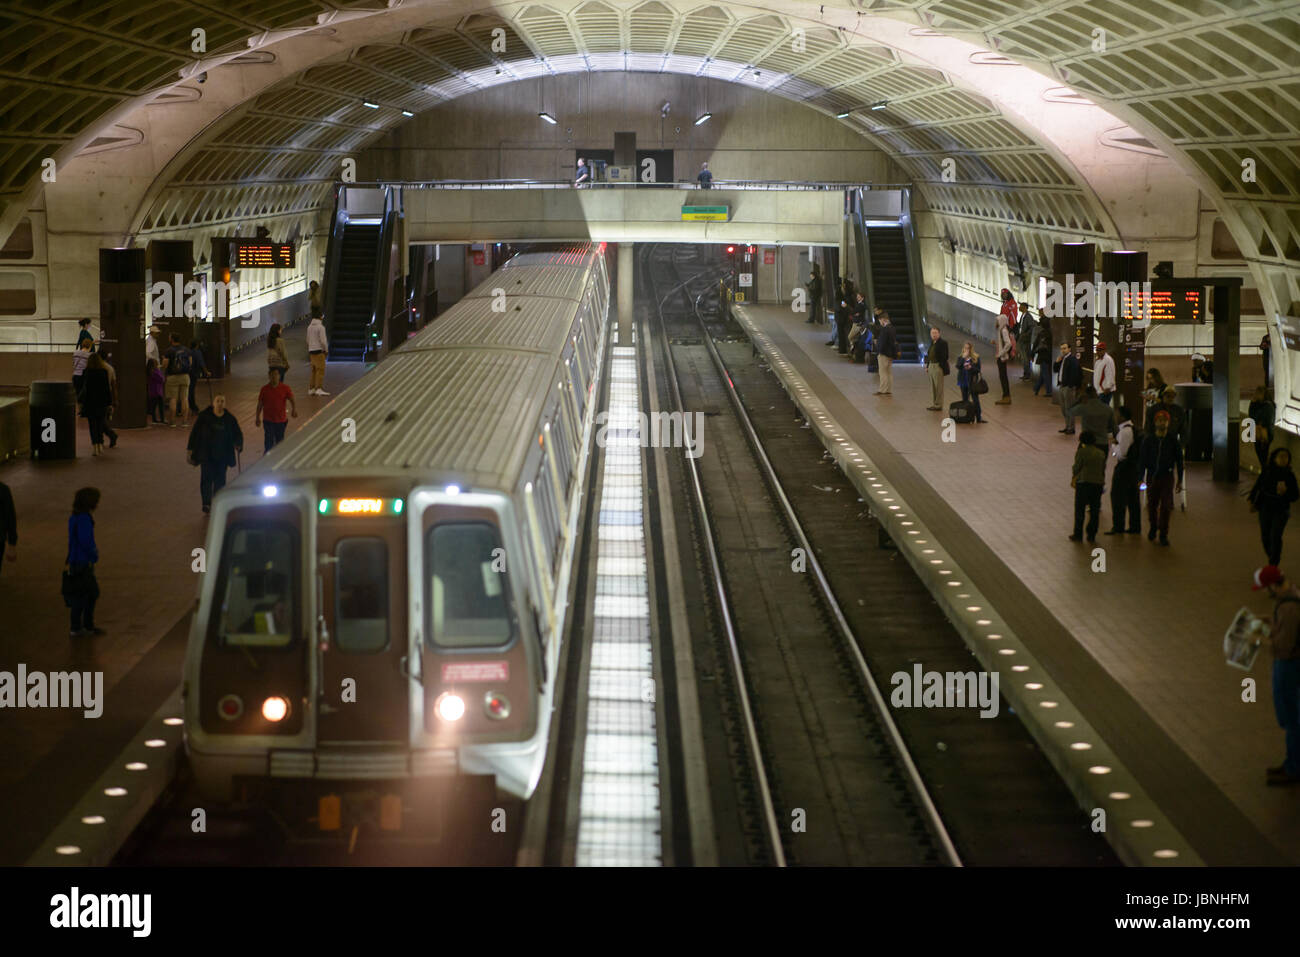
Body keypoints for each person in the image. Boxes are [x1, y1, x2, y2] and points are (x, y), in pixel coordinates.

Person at [1252, 566, 1300, 785]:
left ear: (1273, 585)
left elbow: (1284, 646)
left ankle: (1294, 768)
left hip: (1290, 666)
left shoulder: (1290, 608)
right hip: (1291, 664)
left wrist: (1260, 641)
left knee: (1291, 718)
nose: (1264, 593)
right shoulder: (1291, 598)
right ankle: (1292, 763)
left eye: (1265, 588)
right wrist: (1270, 623)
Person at [188, 394, 244, 514]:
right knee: (206, 479)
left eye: (222, 401)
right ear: (213, 403)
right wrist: (190, 449)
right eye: (218, 401)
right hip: (206, 455)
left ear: (225, 404)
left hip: (223, 455)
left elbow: (237, 434)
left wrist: (238, 444)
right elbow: (194, 433)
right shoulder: (204, 417)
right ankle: (206, 503)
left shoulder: (230, 419)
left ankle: (217, 501)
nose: (220, 403)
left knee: (220, 480)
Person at [64, 487, 103, 638]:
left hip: (75, 561)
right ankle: (83, 626)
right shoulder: (85, 519)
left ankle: (80, 626)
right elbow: (86, 541)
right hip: (83, 562)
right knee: (90, 594)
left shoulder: (74, 517)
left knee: (80, 595)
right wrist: (94, 554)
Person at [1140, 409, 1183, 546]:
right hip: (1152, 476)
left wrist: (1180, 479)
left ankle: (1163, 533)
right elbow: (1142, 460)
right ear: (1155, 423)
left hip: (1167, 476)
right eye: (1159, 420)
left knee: (1166, 506)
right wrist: (1140, 477)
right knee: (1152, 504)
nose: (1162, 423)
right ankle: (1153, 526)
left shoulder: (1172, 441)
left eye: (1164, 420)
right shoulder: (1149, 440)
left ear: (1168, 423)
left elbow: (1179, 460)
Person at [1250, 448, 1299, 566]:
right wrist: (1252, 500)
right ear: (1274, 458)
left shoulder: (1289, 475)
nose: (1283, 459)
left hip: (1281, 510)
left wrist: (1286, 493)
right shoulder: (1267, 472)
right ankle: (1272, 556)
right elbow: (1258, 486)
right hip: (1265, 508)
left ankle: (1273, 564)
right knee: (1265, 536)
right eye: (1281, 456)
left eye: (1286, 457)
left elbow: (1295, 495)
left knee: (1275, 536)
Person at [1105, 406, 1142, 536]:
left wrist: (1114, 446)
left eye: (1117, 414)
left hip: (1125, 468)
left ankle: (1118, 526)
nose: (1115, 417)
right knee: (1133, 498)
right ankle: (1135, 526)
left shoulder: (1125, 432)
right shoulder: (1133, 429)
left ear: (1122, 416)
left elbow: (1122, 454)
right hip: (1133, 468)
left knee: (1118, 497)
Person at [1069, 431, 1106, 543]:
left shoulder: (1082, 452)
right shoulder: (1101, 453)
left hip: (1083, 483)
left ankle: (1078, 534)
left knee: (1080, 509)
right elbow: (1103, 468)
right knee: (1094, 510)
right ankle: (1092, 534)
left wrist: (1075, 475)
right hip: (1097, 484)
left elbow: (1076, 467)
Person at [79, 352, 116, 455]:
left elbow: (84, 389)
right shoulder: (104, 372)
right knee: (100, 424)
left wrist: (82, 402)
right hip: (102, 402)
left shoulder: (86, 372)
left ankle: (95, 446)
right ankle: (100, 445)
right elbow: (106, 389)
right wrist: (109, 403)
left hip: (90, 403)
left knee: (92, 425)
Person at [255, 368, 298, 454]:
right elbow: (260, 404)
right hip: (268, 421)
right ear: (269, 376)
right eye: (272, 375)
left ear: (279, 376)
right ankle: (267, 457)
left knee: (280, 441)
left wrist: (294, 409)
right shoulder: (264, 389)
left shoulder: (285, 388)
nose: (274, 377)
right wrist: (257, 417)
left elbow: (292, 399)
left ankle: (279, 456)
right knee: (268, 440)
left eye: (276, 374)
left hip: (281, 421)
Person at [1069, 386, 1116, 455]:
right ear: (1096, 394)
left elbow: (1070, 412)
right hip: (1103, 444)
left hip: (1087, 444)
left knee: (1084, 464)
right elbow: (1114, 427)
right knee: (1101, 464)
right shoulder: (1108, 409)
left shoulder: (1083, 407)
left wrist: (1079, 401)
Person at [161, 333, 193, 428]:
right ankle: (184, 421)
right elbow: (190, 363)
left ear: (171, 339)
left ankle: (172, 421)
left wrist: (163, 368)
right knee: (184, 399)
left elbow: (165, 365)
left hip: (173, 377)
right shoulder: (186, 350)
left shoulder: (169, 351)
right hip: (185, 376)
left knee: (173, 399)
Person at [1054, 343, 1082, 434]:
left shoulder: (1072, 360)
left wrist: (1070, 386)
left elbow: (1075, 374)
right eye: (1061, 349)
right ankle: (1067, 426)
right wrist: (1057, 362)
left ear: (1069, 349)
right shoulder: (1062, 359)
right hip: (1061, 385)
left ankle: (1071, 428)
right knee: (1063, 408)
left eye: (1065, 348)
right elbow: (1055, 370)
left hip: (1068, 387)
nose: (1063, 350)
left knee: (1069, 408)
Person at [955, 341, 985, 423]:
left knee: (975, 400)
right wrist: (963, 358)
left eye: (968, 348)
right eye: (965, 348)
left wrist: (970, 368)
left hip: (972, 381)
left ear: (971, 349)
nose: (966, 350)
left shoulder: (976, 357)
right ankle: (966, 417)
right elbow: (957, 366)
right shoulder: (960, 357)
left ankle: (979, 417)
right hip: (963, 380)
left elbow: (978, 370)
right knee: (965, 400)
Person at [1249, 385, 1276, 470]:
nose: (1256, 395)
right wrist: (1252, 403)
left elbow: (1266, 420)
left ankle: (1266, 472)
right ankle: (1266, 471)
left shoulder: (1268, 406)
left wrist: (1260, 423)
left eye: (1258, 393)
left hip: (1264, 433)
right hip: (1257, 431)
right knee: (1260, 453)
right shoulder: (1258, 404)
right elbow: (1251, 416)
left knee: (1263, 454)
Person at [924, 326, 949, 411]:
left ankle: (939, 405)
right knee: (933, 386)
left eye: (935, 333)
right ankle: (935, 403)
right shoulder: (932, 342)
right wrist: (927, 366)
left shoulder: (943, 343)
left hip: (938, 366)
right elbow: (929, 355)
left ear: (939, 333)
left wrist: (940, 365)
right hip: (931, 365)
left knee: (938, 387)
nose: (933, 335)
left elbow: (945, 356)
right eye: (932, 333)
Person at [307, 307, 330, 395]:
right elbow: (323, 341)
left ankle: (311, 388)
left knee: (313, 370)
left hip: (311, 351)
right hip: (319, 351)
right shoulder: (321, 327)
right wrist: (326, 350)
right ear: (320, 317)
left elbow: (307, 339)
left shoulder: (309, 327)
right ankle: (318, 388)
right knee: (320, 370)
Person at [994, 306, 1014, 404]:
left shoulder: (1003, 331)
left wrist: (1000, 354)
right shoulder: (1001, 330)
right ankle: (1005, 396)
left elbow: (1008, 343)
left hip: (1002, 357)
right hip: (1001, 356)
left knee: (1003, 377)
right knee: (1002, 376)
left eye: (997, 321)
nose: (996, 323)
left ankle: (1006, 396)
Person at [875, 311, 898, 395]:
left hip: (884, 354)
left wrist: (879, 350)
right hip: (890, 354)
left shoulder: (885, 329)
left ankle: (882, 389)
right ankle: (888, 389)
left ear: (883, 320)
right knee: (888, 372)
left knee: (883, 372)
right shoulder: (892, 328)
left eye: (880, 321)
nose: (880, 323)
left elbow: (882, 343)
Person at [1031, 313, 1052, 397]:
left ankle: (1041, 389)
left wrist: (1032, 354)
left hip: (1042, 355)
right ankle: (1042, 389)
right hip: (1048, 355)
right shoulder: (1050, 333)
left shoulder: (1041, 333)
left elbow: (1036, 344)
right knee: (1044, 372)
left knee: (1044, 372)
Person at [187, 339, 210, 414]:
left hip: (186, 373)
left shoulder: (188, 352)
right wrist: (206, 372)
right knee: (191, 390)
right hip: (193, 373)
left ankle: (180, 408)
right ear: (197, 345)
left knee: (186, 390)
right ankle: (193, 407)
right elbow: (201, 363)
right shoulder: (197, 352)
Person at [1093, 340, 1117, 405]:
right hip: (1099, 391)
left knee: (1103, 411)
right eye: (1097, 350)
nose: (1098, 352)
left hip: (1105, 391)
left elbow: (1110, 374)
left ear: (1104, 350)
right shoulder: (1098, 361)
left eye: (1100, 350)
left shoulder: (1108, 360)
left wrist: (1108, 388)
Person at [0, 480, 15, 578]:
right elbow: (11, 518)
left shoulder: (3, 490)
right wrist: (12, 544)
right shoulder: (3, 490)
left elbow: (10, 518)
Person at [1016, 303, 1035, 381]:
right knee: (1023, 357)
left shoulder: (1028, 316)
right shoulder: (1023, 316)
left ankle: (1027, 374)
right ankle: (1025, 373)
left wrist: (1025, 335)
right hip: (1021, 338)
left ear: (1024, 307)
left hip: (1025, 340)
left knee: (1025, 357)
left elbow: (1031, 327)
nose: (1019, 307)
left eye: (1020, 306)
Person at [146, 357, 165, 424]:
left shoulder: (148, 372)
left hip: (152, 391)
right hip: (158, 391)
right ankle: (162, 419)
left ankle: (154, 419)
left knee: (153, 407)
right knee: (161, 406)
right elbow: (162, 379)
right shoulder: (156, 371)